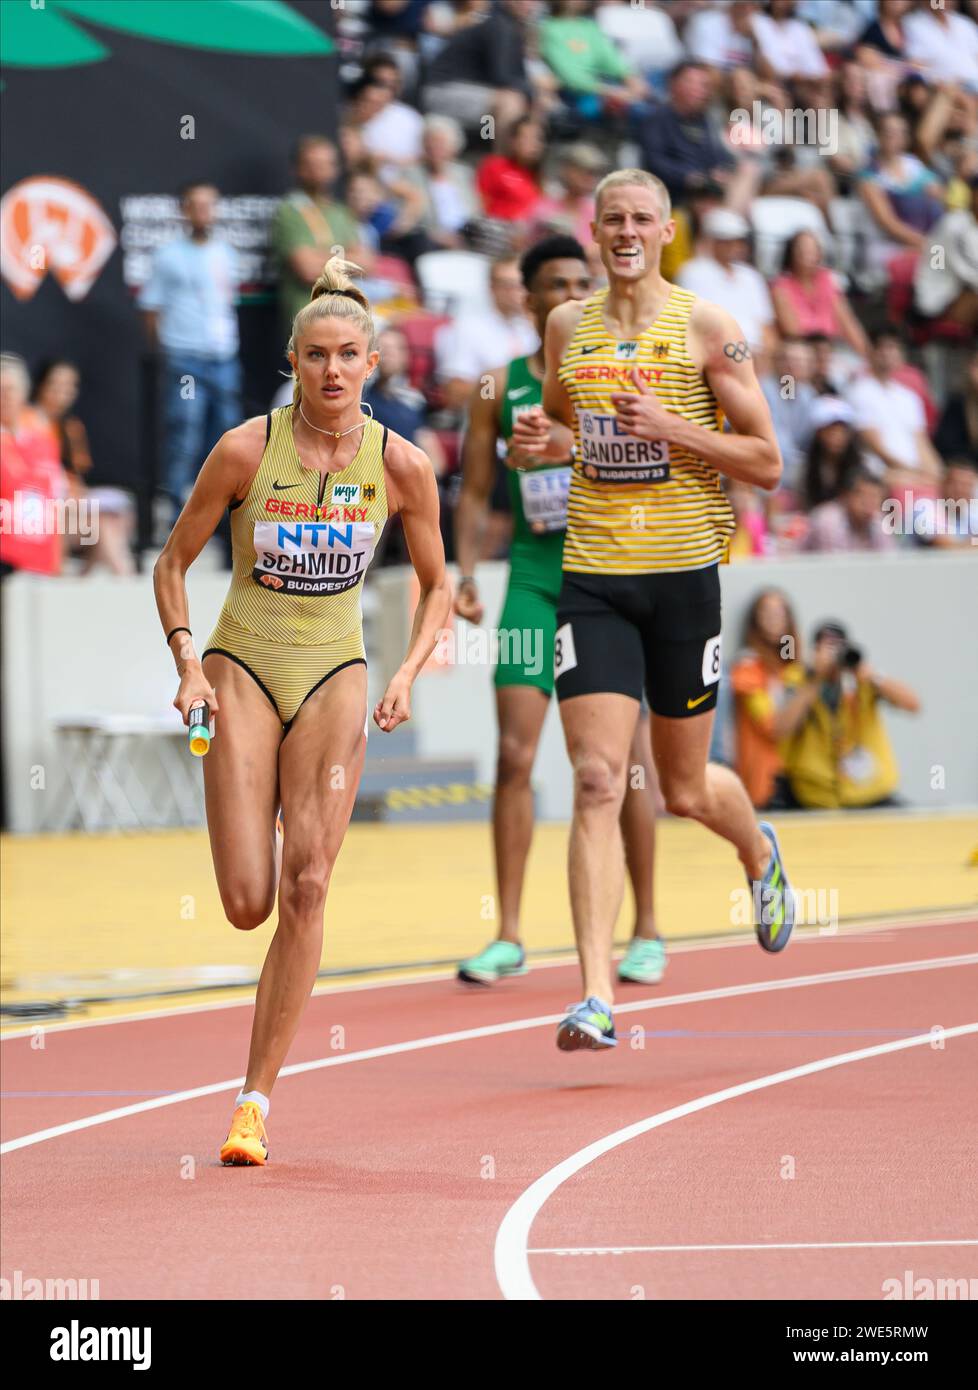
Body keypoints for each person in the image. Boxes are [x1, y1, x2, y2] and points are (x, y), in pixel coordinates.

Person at [152, 257, 451, 1165]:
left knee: (309, 881)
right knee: (248, 902)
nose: (331, 371)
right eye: (315, 355)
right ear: (292, 359)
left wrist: (409, 670)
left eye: (348, 356)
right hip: (241, 664)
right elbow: (171, 564)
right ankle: (253, 1075)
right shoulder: (246, 449)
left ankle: (254, 1102)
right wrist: (186, 665)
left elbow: (440, 584)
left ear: (372, 363)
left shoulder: (401, 465)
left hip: (335, 671)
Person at [514, 169, 795, 1052]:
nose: (626, 232)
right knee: (597, 779)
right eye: (611, 220)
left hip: (683, 579)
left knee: (679, 789)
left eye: (642, 219)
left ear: (666, 231)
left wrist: (675, 430)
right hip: (594, 575)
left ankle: (756, 851)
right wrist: (546, 445)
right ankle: (595, 995)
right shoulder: (568, 325)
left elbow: (766, 462)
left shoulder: (710, 327)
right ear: (593, 232)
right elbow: (568, 423)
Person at [454, 235, 667, 989]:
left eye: (584, 279)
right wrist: (466, 573)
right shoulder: (497, 388)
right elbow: (477, 492)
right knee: (514, 757)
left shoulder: (615, 373)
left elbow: (651, 463)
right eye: (558, 283)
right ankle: (509, 934)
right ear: (529, 297)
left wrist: (569, 448)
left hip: (608, 573)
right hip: (535, 580)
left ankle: (645, 928)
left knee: (622, 763)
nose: (574, 291)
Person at [138, 181, 242, 520]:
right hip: (185, 357)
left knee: (227, 436)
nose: (203, 212)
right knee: (185, 432)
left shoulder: (226, 253)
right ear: (184, 210)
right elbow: (152, 308)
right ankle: (175, 514)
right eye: (196, 205)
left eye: (209, 205)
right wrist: (162, 354)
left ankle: (220, 518)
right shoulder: (168, 255)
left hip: (223, 357)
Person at [780, 621, 920, 810]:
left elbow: (913, 705)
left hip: (870, 791)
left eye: (838, 648)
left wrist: (873, 676)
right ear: (814, 652)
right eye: (828, 648)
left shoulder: (863, 679)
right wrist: (815, 679)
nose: (833, 656)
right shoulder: (799, 679)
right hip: (817, 798)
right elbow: (781, 728)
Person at [31, 359, 135, 576]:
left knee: (117, 515)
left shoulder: (71, 428)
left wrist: (76, 496)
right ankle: (124, 579)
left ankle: (93, 577)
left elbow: (75, 476)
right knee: (104, 525)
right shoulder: (26, 422)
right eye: (56, 384)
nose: (63, 392)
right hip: (39, 510)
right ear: (41, 385)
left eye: (70, 385)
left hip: (67, 504)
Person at [269, 136, 374, 342]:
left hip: (345, 324)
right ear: (297, 169)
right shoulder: (290, 211)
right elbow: (307, 269)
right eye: (311, 164)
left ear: (335, 169)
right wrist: (347, 256)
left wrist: (321, 257)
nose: (319, 170)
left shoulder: (342, 213)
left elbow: (367, 264)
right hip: (308, 328)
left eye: (326, 164)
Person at [434, 255, 539, 412]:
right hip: (486, 424)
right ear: (492, 287)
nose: (515, 292)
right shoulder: (467, 328)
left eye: (520, 285)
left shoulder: (531, 329)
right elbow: (456, 392)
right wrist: (503, 391)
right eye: (507, 285)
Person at [729, 589, 802, 810]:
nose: (773, 619)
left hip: (802, 781)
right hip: (765, 784)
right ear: (755, 621)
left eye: (780, 612)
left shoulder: (795, 670)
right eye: (766, 612)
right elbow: (772, 727)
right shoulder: (746, 668)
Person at [845, 329, 942, 492]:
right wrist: (912, 471)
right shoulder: (858, 391)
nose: (888, 354)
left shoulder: (909, 397)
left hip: (913, 473)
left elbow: (921, 442)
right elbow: (874, 445)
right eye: (883, 348)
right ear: (871, 351)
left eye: (894, 348)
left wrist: (937, 471)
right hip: (880, 473)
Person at [676, 207, 777, 361]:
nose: (733, 246)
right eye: (726, 241)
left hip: (754, 356)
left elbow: (766, 327)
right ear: (713, 241)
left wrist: (764, 358)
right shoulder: (693, 272)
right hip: (715, 353)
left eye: (738, 241)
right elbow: (694, 323)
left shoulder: (751, 276)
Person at [0, 354, 68, 579]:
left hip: (39, 562)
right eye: (1, 390)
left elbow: (56, 502)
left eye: (11, 389)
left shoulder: (44, 443)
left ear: (24, 392)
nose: (6, 396)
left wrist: (57, 561)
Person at [770, 231, 869, 357]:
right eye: (802, 249)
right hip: (801, 352)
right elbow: (791, 331)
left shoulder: (828, 279)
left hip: (832, 349)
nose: (807, 254)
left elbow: (848, 322)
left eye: (812, 249)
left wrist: (866, 356)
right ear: (791, 253)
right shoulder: (780, 286)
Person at [913, 174, 978, 329]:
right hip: (937, 295)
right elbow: (965, 271)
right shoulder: (954, 224)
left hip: (962, 290)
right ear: (974, 195)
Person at [804, 465, 897, 553]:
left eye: (875, 497)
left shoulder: (880, 522)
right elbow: (833, 567)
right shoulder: (827, 521)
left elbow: (890, 560)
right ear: (845, 496)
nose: (870, 504)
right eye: (863, 496)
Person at [801, 396, 862, 509]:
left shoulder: (861, 469)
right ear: (818, 433)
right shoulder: (803, 470)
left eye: (842, 431)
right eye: (831, 430)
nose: (837, 437)